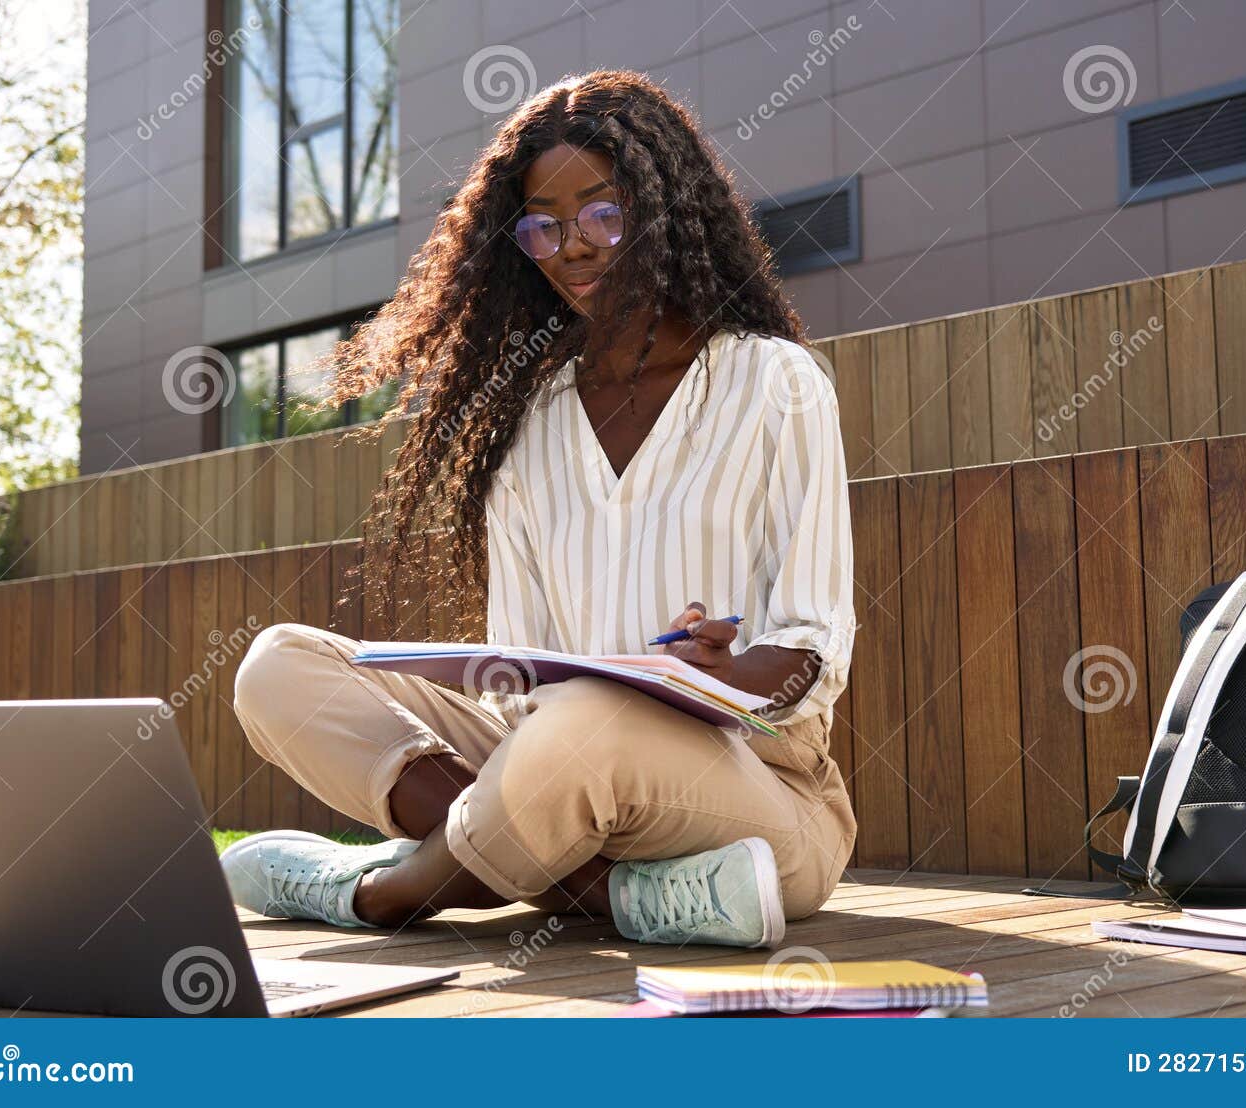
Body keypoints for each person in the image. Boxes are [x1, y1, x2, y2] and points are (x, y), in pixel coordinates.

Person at [223, 70, 855, 949]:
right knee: (277, 667)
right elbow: (521, 695)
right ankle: (617, 896)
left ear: (666, 207)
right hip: (553, 763)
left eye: (604, 213)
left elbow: (809, 655)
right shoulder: (530, 422)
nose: (574, 247)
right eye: (543, 227)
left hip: (758, 792)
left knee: (584, 728)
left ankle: (386, 890)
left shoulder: (774, 384)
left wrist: (722, 677)